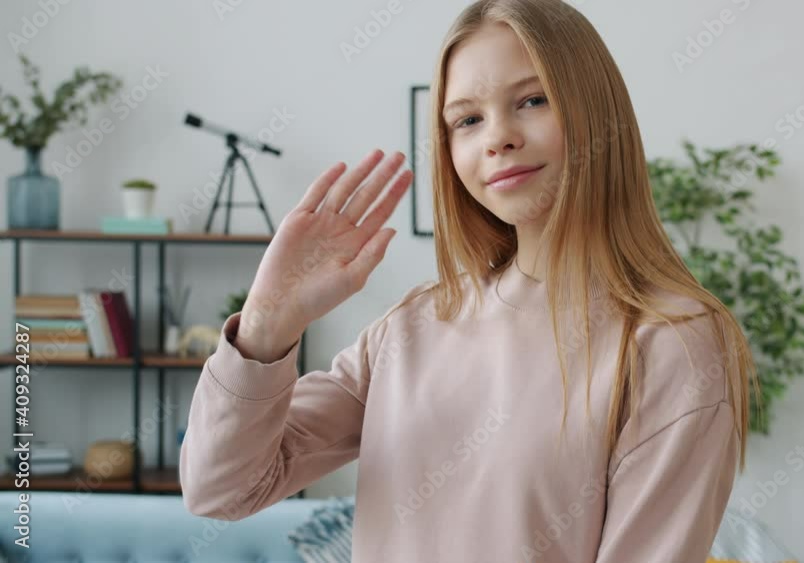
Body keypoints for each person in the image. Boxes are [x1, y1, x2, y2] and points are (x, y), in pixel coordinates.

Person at [179, 1, 758, 561]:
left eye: (532, 100)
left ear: (596, 113)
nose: (496, 137)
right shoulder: (414, 325)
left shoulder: (670, 341)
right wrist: (266, 322)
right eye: (468, 119)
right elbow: (223, 490)